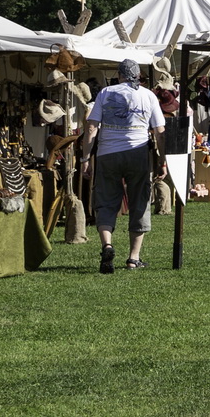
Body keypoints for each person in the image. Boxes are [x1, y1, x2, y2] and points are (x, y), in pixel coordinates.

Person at [79, 58, 166, 273]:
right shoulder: (148, 96)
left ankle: (107, 245)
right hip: (137, 153)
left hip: (108, 154)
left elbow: (91, 128)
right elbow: (160, 131)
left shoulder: (105, 93)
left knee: (106, 201)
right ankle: (133, 258)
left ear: (119, 75)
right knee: (139, 202)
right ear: (138, 75)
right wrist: (163, 160)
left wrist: (85, 159)